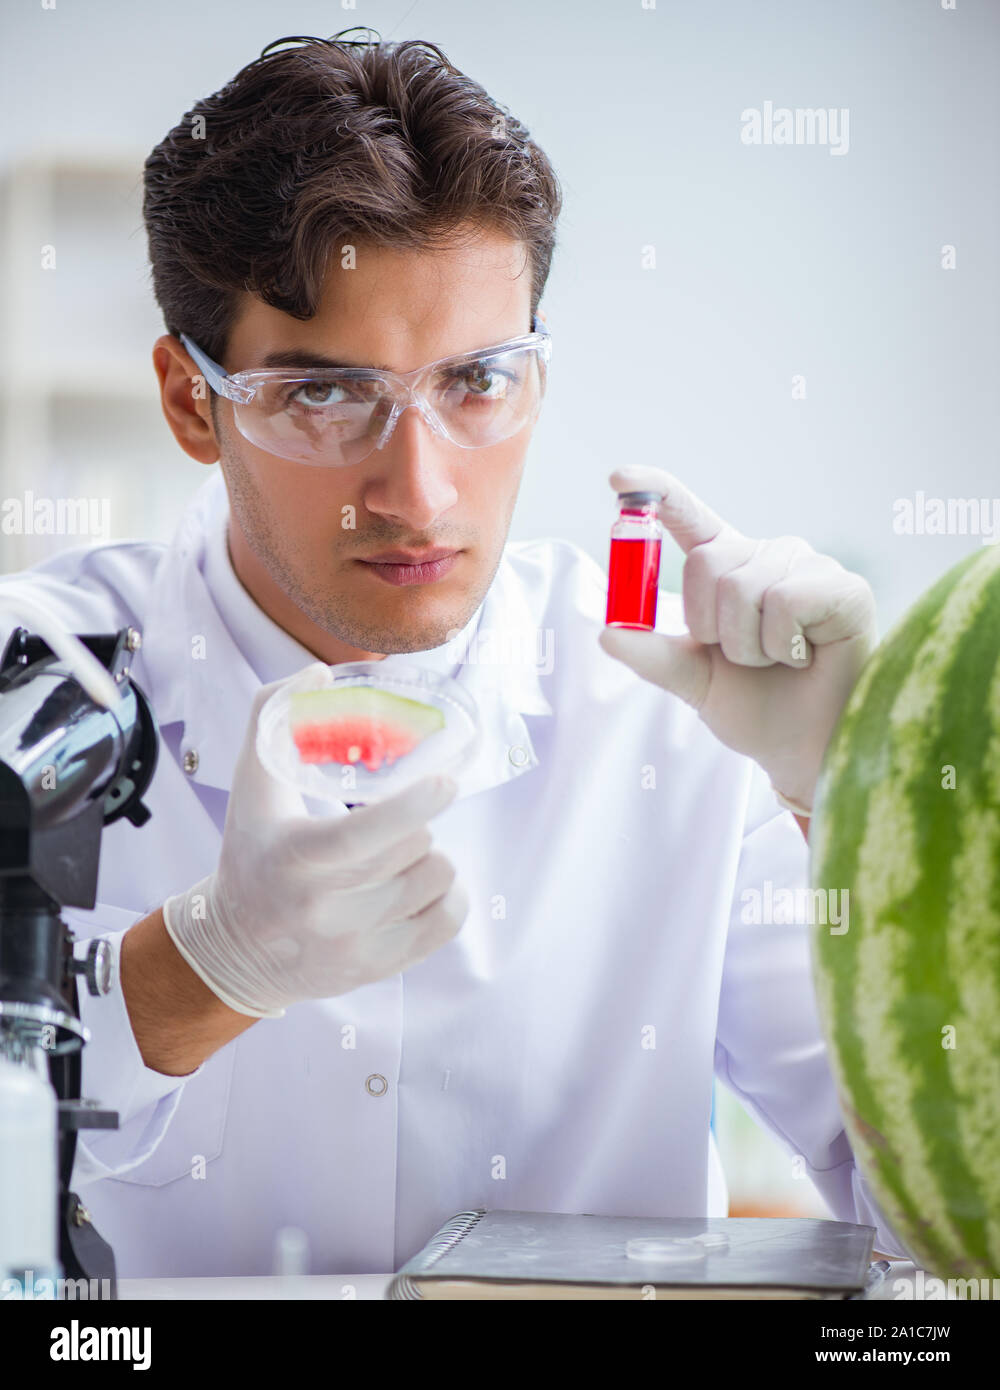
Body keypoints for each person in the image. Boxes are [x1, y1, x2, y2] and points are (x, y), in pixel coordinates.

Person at [0, 30, 911, 1278]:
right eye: (325, 396)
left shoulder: (676, 710)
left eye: (479, 379)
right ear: (188, 399)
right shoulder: (42, 671)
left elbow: (945, 1212)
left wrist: (858, 809)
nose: (420, 490)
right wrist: (202, 964)